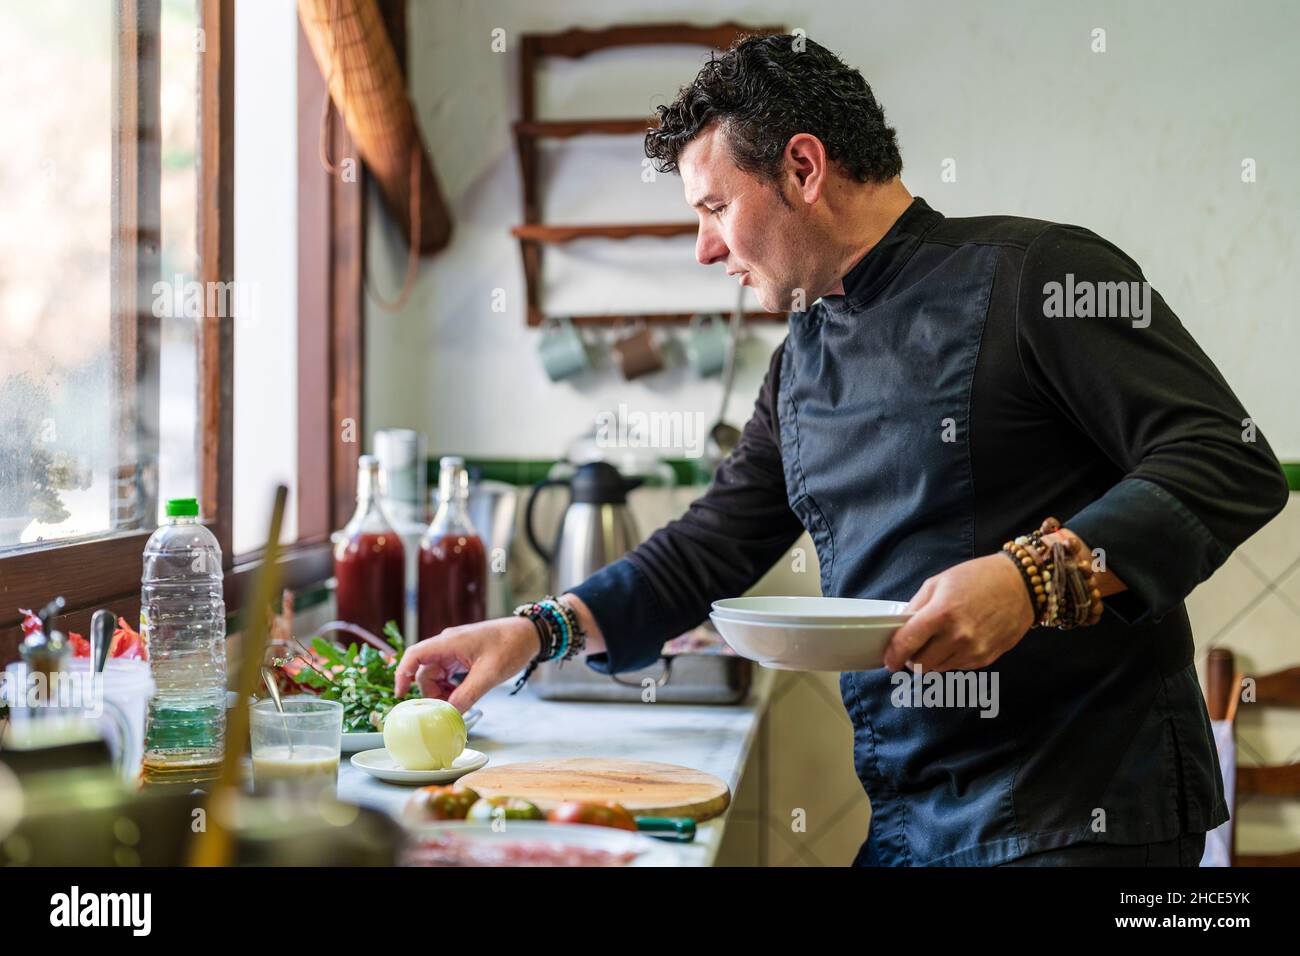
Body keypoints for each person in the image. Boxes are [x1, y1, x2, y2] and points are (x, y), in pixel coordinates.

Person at [395, 35, 1289, 867]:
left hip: (1079, 813)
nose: (705, 248)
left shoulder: (1039, 275)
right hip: (907, 813)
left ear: (803, 167)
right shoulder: (801, 360)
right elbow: (714, 543)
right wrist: (535, 631)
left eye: (715, 208)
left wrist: (1031, 579)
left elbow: (1226, 458)